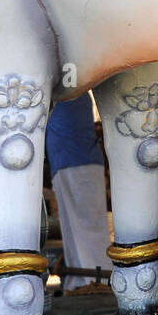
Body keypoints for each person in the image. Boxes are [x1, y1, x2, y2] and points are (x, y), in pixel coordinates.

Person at [45, 95, 111, 293]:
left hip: (73, 164)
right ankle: (82, 278)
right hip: (73, 163)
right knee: (76, 226)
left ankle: (94, 278)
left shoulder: (64, 95)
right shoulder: (76, 93)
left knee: (81, 226)